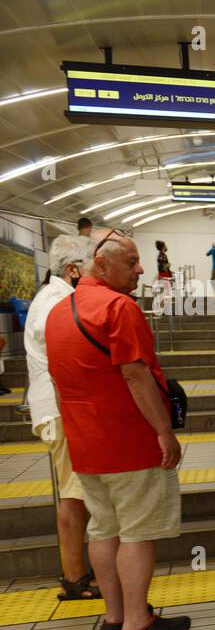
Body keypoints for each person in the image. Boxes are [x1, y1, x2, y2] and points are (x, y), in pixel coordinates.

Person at [45, 228, 190, 630]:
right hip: (128, 441)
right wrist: (164, 432)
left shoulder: (59, 312)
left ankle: (114, 614)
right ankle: (137, 622)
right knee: (137, 532)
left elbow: (59, 383)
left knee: (104, 529)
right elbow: (134, 373)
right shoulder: (117, 308)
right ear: (101, 264)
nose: (140, 269)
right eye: (131, 262)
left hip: (86, 446)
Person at [24, 234, 101, 600]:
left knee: (75, 495)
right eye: (92, 265)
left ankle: (77, 576)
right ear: (72, 270)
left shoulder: (55, 298)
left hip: (60, 408)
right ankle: (75, 578)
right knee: (75, 496)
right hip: (61, 410)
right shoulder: (56, 303)